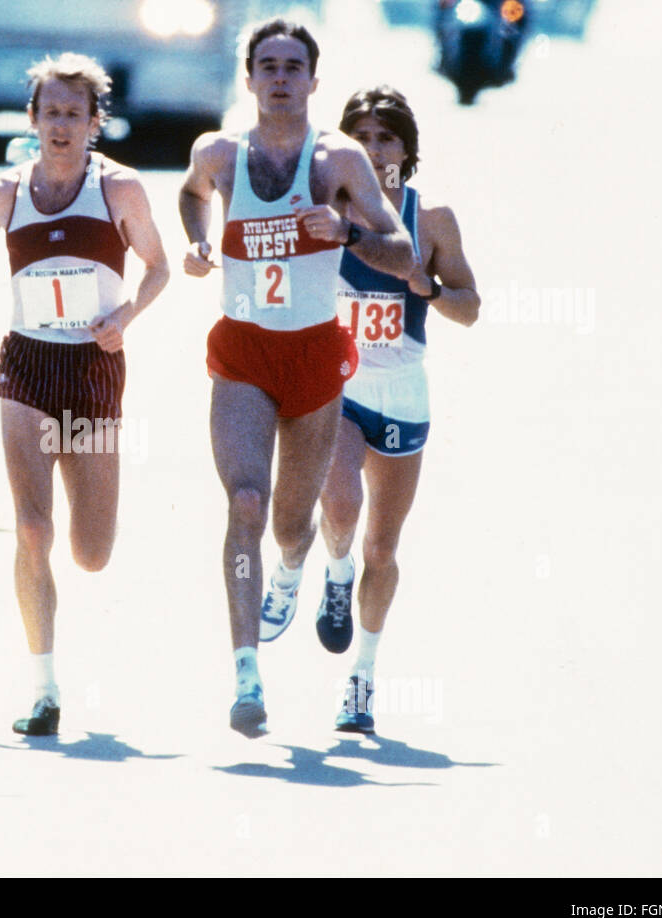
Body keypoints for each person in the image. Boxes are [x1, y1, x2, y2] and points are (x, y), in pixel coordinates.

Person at [179, 19, 415, 737]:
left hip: (314, 355)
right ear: (248, 78)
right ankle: (246, 669)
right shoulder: (218, 152)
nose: (280, 78)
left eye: (294, 67)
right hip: (244, 352)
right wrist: (195, 239)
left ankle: (289, 571)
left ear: (314, 81)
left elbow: (402, 254)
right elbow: (192, 193)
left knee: (289, 523)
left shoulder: (339, 159)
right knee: (245, 501)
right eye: (268, 66)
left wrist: (345, 234)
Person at [0, 53, 169, 735]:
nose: (62, 125)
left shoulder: (121, 190)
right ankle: (43, 687)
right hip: (27, 365)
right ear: (33, 120)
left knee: (90, 551)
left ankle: (60, 637)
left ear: (96, 122)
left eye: (75, 114)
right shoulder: (3, 194)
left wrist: (123, 317)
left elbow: (159, 268)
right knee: (31, 527)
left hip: (95, 370)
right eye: (51, 113)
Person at [295, 86, 479, 732]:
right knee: (340, 501)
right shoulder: (321, 211)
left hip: (402, 390)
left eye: (387, 139)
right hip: (339, 386)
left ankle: (361, 681)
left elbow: (470, 307)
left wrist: (427, 287)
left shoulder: (430, 219)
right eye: (362, 139)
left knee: (384, 545)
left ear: (408, 150)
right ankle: (334, 575)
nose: (374, 153)